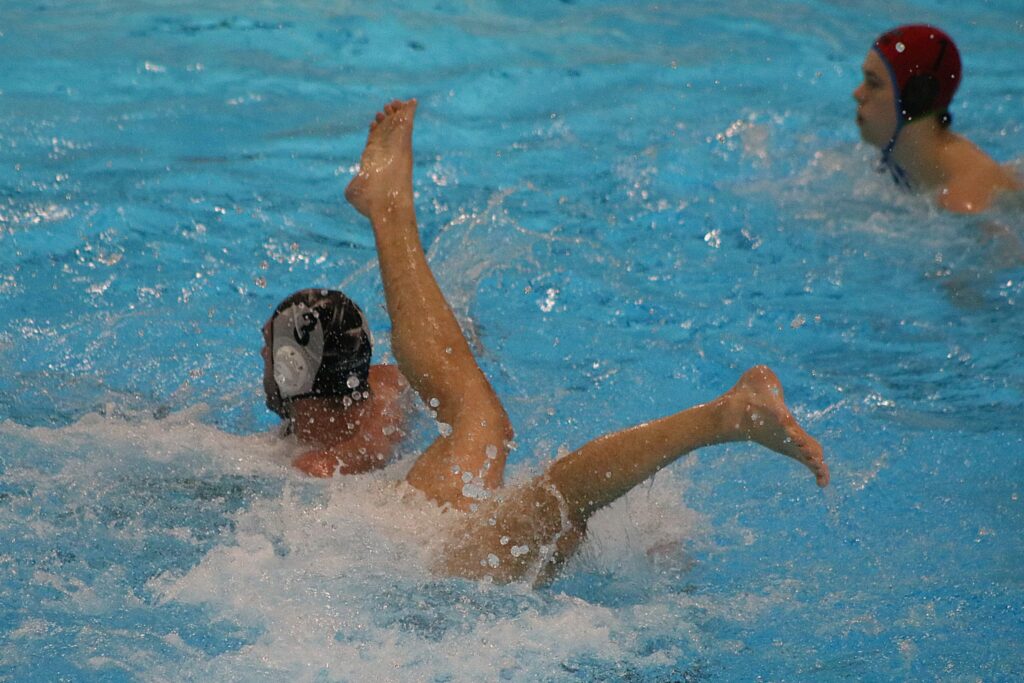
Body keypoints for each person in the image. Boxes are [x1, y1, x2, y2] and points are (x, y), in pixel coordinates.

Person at [262, 99, 830, 585]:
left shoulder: (304, 464)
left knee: (542, 487)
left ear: (290, 372)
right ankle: (389, 210)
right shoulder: (366, 403)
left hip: (432, 557)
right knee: (499, 442)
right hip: (425, 544)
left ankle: (725, 417)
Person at [852, 24, 1021, 213]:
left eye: (873, 83)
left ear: (916, 97)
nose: (857, 94)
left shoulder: (966, 205)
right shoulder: (898, 157)